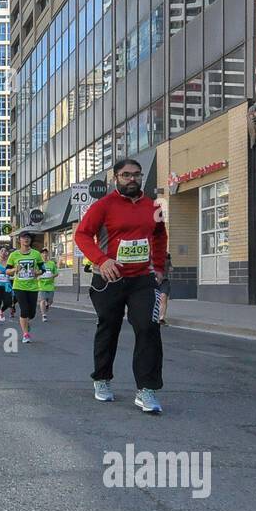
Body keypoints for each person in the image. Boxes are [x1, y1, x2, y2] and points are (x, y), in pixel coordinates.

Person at [74, 158, 168, 414]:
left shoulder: (153, 206)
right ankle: (102, 379)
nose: (132, 179)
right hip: (109, 279)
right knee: (109, 327)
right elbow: (82, 235)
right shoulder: (103, 205)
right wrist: (101, 260)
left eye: (136, 175)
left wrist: (158, 267)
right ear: (115, 178)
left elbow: (160, 236)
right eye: (126, 175)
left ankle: (147, 390)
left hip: (143, 280)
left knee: (149, 328)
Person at [5, 232, 43, 344]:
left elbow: (43, 269)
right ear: (19, 240)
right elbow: (7, 271)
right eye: (24, 238)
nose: (26, 240)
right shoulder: (14, 255)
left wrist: (37, 272)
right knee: (24, 310)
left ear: (30, 240)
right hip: (19, 286)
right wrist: (14, 270)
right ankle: (25, 334)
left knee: (32, 313)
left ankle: (27, 322)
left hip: (33, 287)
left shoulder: (36, 254)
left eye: (28, 238)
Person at [39, 248, 58, 321]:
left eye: (46, 253)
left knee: (50, 301)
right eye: (43, 253)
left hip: (50, 285)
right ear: (41, 255)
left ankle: (47, 305)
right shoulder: (39, 264)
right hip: (41, 285)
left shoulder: (52, 263)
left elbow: (56, 273)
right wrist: (38, 277)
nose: (45, 254)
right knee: (42, 301)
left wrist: (51, 276)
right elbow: (35, 272)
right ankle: (44, 315)